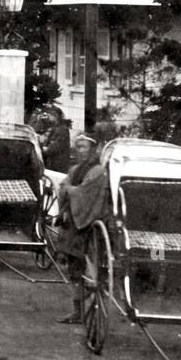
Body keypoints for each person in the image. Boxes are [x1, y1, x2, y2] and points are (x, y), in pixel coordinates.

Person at [54, 133, 108, 324]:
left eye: (84, 147)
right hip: (73, 219)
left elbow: (82, 193)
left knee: (79, 265)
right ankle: (77, 310)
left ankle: (82, 301)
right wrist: (68, 191)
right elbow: (64, 187)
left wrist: (69, 189)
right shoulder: (75, 169)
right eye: (78, 147)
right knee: (72, 268)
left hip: (88, 220)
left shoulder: (98, 171)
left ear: (93, 149)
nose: (80, 150)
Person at [35, 106, 71, 173]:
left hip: (57, 165)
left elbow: (52, 149)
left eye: (50, 115)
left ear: (55, 116)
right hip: (54, 163)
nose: (48, 117)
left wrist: (41, 146)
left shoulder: (62, 130)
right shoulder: (55, 128)